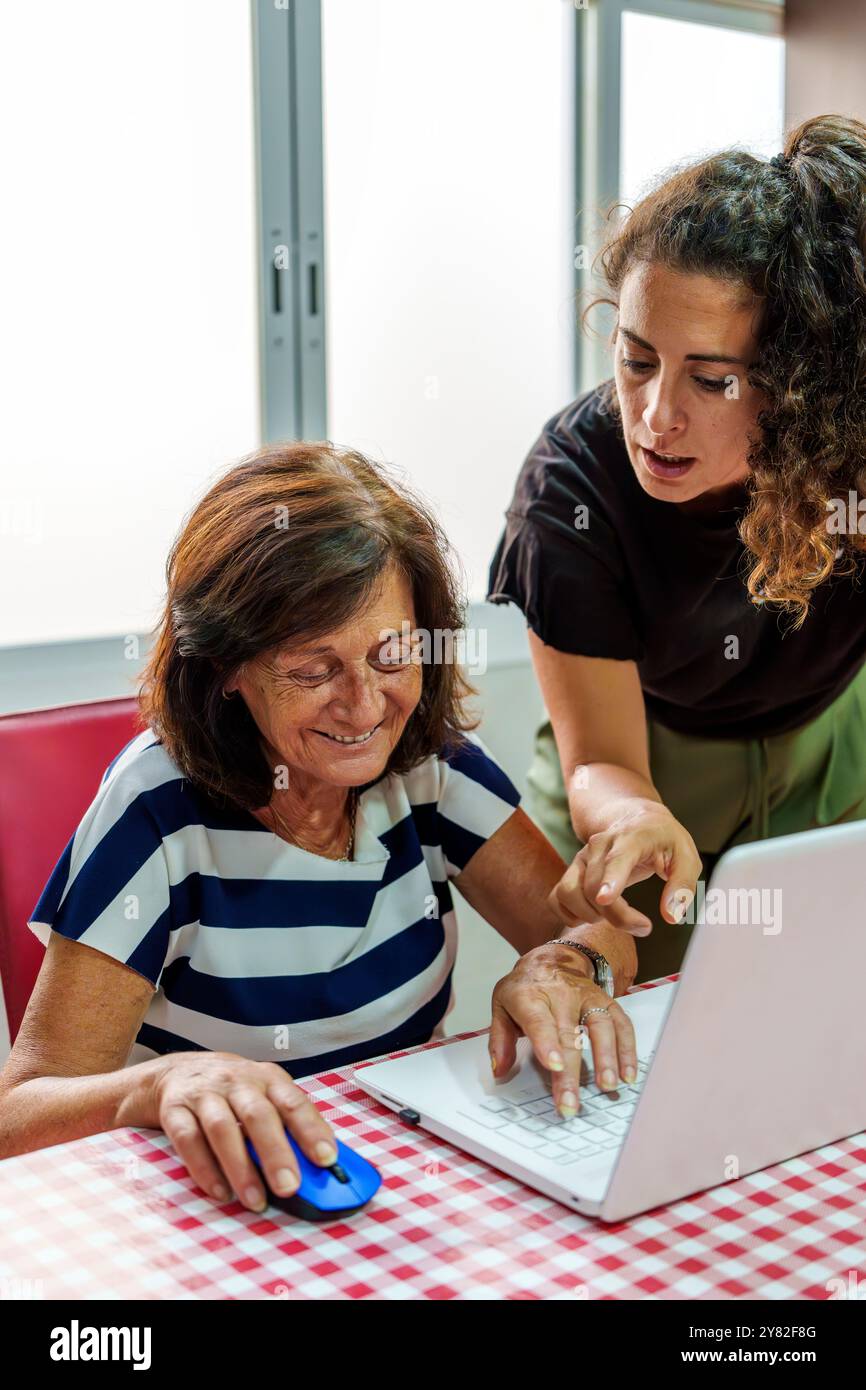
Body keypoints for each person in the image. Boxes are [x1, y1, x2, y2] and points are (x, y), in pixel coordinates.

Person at [0, 442, 636, 1212]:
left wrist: (564, 964)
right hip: (208, 1212)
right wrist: (160, 1083)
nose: (365, 706)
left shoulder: (428, 766)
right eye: (313, 669)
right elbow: (18, 1119)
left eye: (393, 654)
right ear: (227, 667)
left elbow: (598, 933)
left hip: (402, 1193)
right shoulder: (156, 811)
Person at [488, 114, 866, 982]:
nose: (657, 416)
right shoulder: (569, 494)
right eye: (635, 358)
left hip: (833, 737)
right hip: (643, 768)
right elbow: (601, 760)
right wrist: (631, 822)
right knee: (621, 1037)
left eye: (711, 379)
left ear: (807, 384)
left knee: (819, 1018)